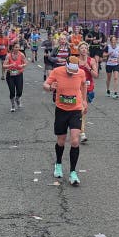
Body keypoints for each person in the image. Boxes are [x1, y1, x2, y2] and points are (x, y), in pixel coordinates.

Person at [43, 55, 88, 186]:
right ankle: (58, 163)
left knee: (75, 141)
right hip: (61, 110)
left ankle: (73, 173)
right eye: (69, 71)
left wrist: (84, 100)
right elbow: (45, 85)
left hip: (75, 109)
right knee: (61, 141)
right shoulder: (57, 71)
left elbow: (84, 85)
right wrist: (51, 87)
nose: (71, 74)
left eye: (73, 72)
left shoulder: (80, 73)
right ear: (66, 65)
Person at [77, 42, 98, 143]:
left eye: (85, 48)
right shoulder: (75, 61)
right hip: (77, 89)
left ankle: (78, 128)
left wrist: (88, 68)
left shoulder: (92, 61)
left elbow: (95, 75)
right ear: (79, 50)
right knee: (82, 110)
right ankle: (82, 133)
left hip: (88, 89)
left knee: (83, 111)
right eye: (82, 48)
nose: (84, 50)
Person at [4, 42, 27, 112]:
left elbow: (26, 63)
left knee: (19, 91)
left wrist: (22, 66)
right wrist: (10, 65)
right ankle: (13, 105)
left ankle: (17, 99)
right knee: (12, 91)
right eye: (16, 47)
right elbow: (4, 66)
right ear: (13, 48)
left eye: (18, 47)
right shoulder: (8, 55)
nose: (18, 48)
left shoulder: (21, 55)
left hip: (19, 74)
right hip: (10, 75)